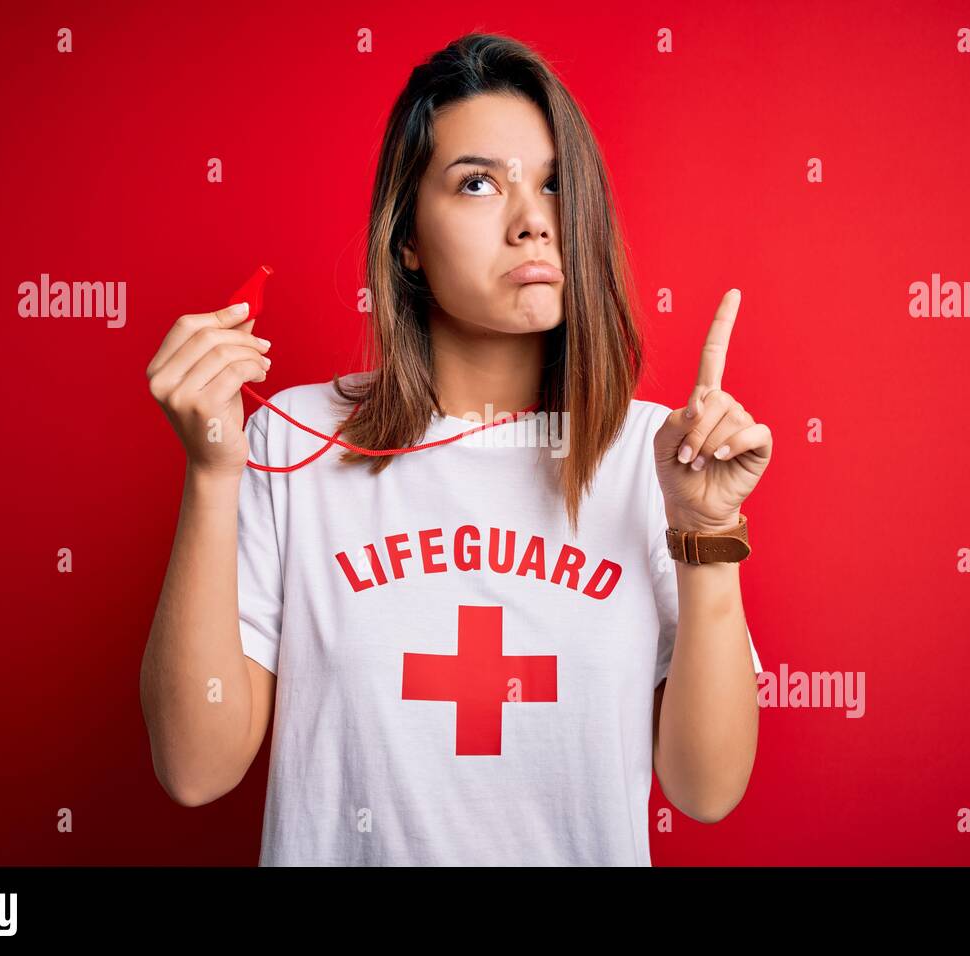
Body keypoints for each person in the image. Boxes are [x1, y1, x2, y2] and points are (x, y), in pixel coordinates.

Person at [140, 32, 772, 866]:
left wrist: (704, 538)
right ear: (406, 238)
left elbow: (706, 789)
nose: (532, 221)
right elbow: (194, 768)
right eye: (479, 183)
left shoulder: (654, 456)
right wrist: (214, 472)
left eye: (553, 185)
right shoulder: (292, 440)